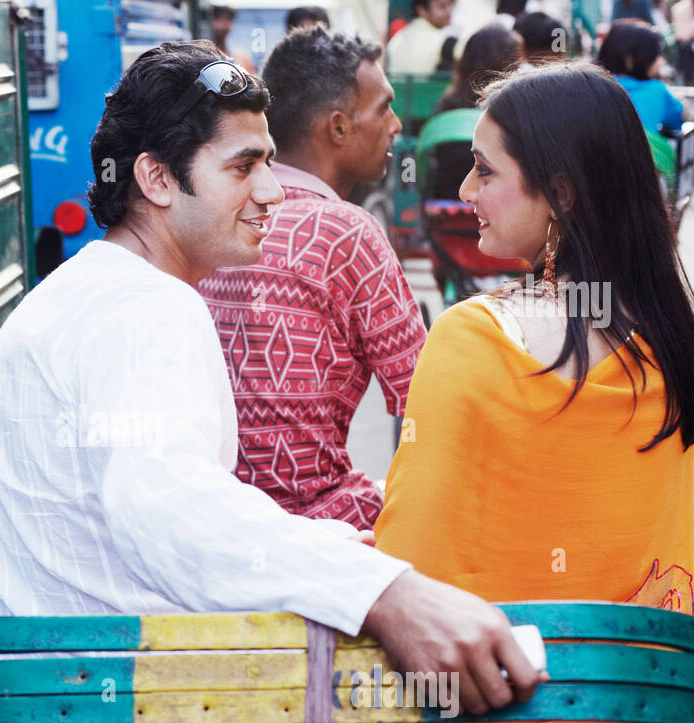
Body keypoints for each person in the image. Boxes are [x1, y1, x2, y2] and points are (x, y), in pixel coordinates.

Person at [0, 39, 545, 721]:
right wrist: (388, 596)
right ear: (156, 180)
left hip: (50, 695)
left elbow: (151, 509)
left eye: (268, 162)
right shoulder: (147, 307)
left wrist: (325, 550)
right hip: (82, 718)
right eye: (243, 167)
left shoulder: (101, 287)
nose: (271, 192)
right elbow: (170, 507)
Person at [359, 61, 694, 723]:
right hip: (628, 707)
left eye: (485, 173)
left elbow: (415, 566)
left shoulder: (473, 336)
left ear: (559, 195)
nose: (465, 193)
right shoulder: (669, 339)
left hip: (480, 715)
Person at [197, 28, 424, 529]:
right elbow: (428, 404)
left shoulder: (219, 217)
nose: (396, 124)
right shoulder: (349, 233)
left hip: (214, 521)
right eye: (383, 108)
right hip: (317, 526)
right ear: (338, 128)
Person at [430, 24, 523, 199]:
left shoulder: (444, 106)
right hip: (496, 199)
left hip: (446, 196)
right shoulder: (512, 111)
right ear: (510, 65)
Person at [596, 19, 685, 131]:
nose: (662, 62)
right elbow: (677, 120)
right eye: (654, 55)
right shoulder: (656, 89)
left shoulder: (591, 86)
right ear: (630, 60)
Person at [387, 0, 458, 72]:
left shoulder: (396, 38)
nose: (449, 10)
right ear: (422, 10)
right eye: (442, 6)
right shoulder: (443, 41)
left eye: (451, 4)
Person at [210, 5, 257, 73]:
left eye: (229, 18)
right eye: (218, 17)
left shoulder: (243, 60)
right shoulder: (199, 57)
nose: (223, 24)